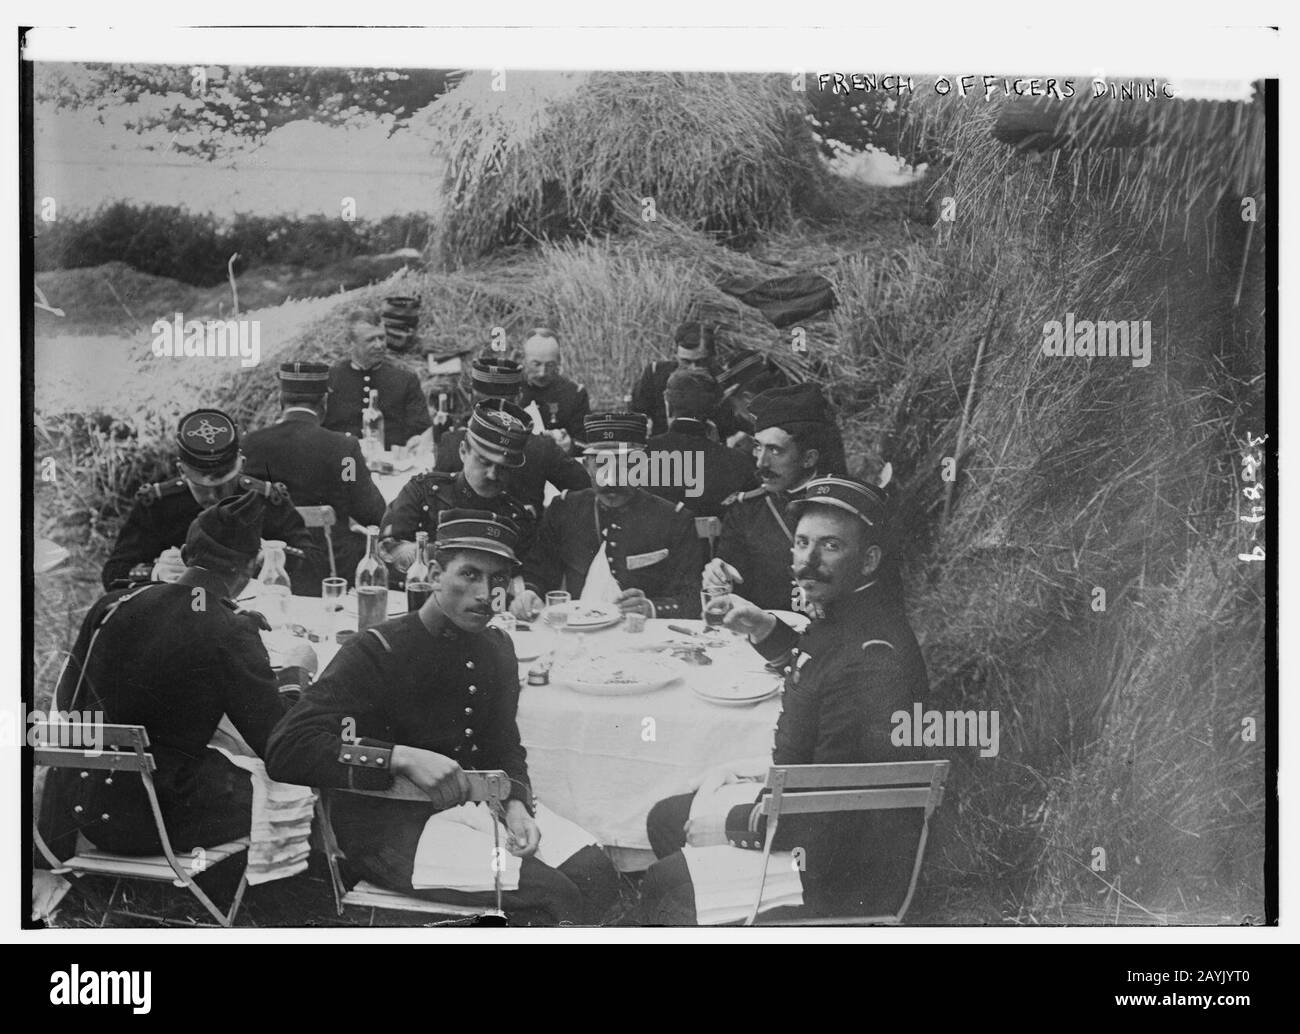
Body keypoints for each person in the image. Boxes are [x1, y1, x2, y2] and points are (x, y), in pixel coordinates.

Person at [265, 510, 621, 926]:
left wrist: (517, 803)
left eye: (499, 579)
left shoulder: (497, 647)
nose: (486, 593)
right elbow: (287, 748)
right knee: (554, 898)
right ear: (434, 573)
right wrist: (399, 757)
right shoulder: (376, 649)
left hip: (479, 807)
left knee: (597, 876)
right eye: (469, 575)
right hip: (390, 831)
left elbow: (503, 742)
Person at [639, 475, 928, 925]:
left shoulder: (872, 659)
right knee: (665, 817)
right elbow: (817, 665)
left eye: (830, 547)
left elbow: (826, 810)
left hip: (834, 868)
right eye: (801, 543)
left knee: (663, 884)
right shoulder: (852, 612)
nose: (807, 563)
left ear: (869, 560)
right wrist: (762, 628)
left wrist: (734, 822)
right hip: (811, 813)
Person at [39, 493, 309, 861]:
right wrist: (296, 674)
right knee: (285, 781)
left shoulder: (112, 605)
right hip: (157, 822)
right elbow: (278, 745)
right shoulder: (230, 631)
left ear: (184, 553)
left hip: (82, 807)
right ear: (252, 567)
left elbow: (69, 708)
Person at [102, 408, 322, 594]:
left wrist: (273, 559)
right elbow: (113, 574)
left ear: (242, 465)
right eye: (203, 487)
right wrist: (155, 572)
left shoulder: (265, 499)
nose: (215, 497)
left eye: (224, 483)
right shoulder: (159, 505)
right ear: (181, 470)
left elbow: (317, 566)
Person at [517, 413, 702, 620]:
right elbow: (538, 572)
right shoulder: (564, 509)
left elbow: (694, 598)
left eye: (624, 465)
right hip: (578, 636)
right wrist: (530, 593)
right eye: (601, 464)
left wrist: (651, 607)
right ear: (586, 465)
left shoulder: (674, 519)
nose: (612, 478)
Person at [242, 361, 387, 584]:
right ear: (324, 402)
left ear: (281, 399)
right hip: (331, 568)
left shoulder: (250, 444)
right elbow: (372, 512)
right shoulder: (343, 449)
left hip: (268, 566)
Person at [704, 383, 843, 613]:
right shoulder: (747, 512)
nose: (761, 463)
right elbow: (732, 589)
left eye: (775, 451)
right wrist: (719, 578)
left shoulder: (846, 511)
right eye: (758, 447)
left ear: (808, 458)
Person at [380, 399, 536, 583]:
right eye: (484, 462)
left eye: (503, 468)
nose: (493, 475)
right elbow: (386, 551)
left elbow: (519, 584)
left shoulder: (517, 518)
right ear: (463, 451)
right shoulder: (423, 492)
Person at [435, 356, 590, 513]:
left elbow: (437, 500)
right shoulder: (541, 447)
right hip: (523, 535)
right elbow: (586, 489)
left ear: (471, 398)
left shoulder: (450, 443)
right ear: (519, 399)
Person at [646, 369, 757, 519]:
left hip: (658, 541)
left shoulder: (639, 456)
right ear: (713, 408)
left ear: (668, 405)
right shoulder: (740, 462)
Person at [322, 308, 430, 448]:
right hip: (343, 464)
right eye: (370, 340)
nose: (379, 345)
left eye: (382, 337)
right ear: (350, 342)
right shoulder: (330, 380)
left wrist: (416, 441)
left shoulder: (406, 380)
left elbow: (420, 429)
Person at [628, 321, 717, 437]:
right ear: (675, 353)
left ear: (712, 357)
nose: (693, 369)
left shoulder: (721, 380)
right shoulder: (656, 374)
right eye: (686, 361)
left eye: (700, 362)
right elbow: (636, 413)